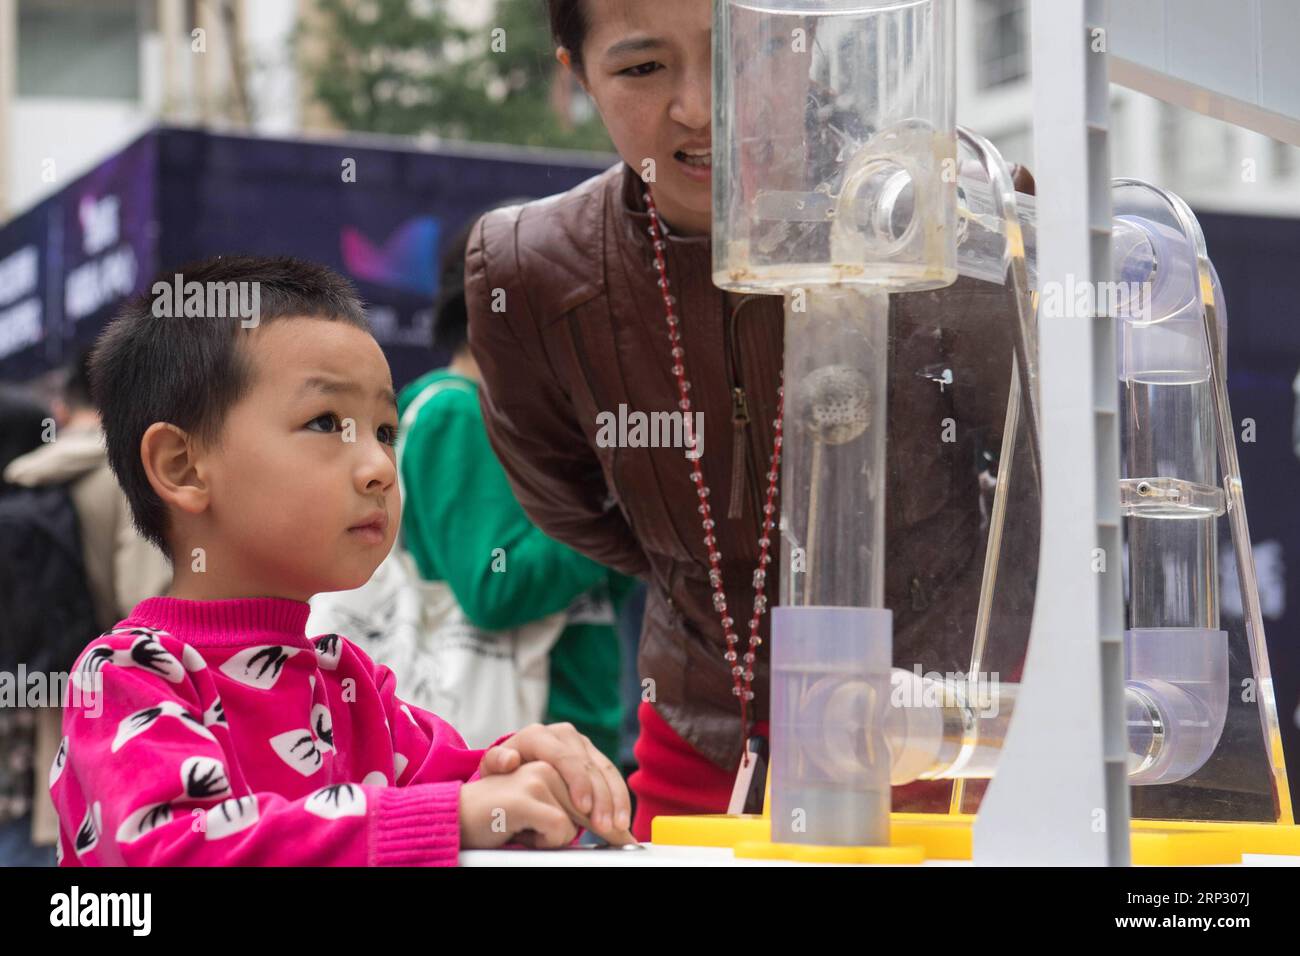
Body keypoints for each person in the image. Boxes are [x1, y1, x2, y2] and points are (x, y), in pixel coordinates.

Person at [466, 0, 1036, 840]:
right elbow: (564, 499)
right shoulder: (529, 267)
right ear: (577, 74)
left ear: (803, 42)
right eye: (641, 67)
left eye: (740, 53)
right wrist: (701, 575)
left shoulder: (949, 221)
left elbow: (1050, 487)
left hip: (944, 740)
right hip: (701, 744)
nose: (699, 106)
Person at [49, 255, 633, 866]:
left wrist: (530, 765)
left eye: (385, 431)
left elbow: (465, 786)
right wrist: (453, 816)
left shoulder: (355, 685)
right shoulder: (129, 675)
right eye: (327, 422)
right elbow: (177, 850)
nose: (381, 468)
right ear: (182, 466)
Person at [397, 213, 632, 763]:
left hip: (574, 735)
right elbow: (495, 589)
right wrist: (607, 510)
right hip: (531, 748)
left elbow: (611, 581)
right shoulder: (457, 413)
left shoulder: (520, 419)